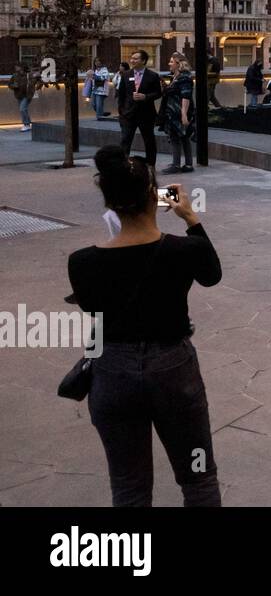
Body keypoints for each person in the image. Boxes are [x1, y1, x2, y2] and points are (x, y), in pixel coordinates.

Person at [68, 146, 223, 506]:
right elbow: (212, 275)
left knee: (129, 486)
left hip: (113, 373)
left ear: (109, 202)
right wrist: (191, 218)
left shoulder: (82, 262)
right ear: (156, 198)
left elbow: (92, 306)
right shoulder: (185, 251)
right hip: (174, 370)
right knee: (198, 479)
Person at [119, 50, 162, 166]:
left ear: (143, 61)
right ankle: (123, 166)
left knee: (149, 141)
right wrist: (122, 113)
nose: (132, 60)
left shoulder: (153, 76)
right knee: (125, 141)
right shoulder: (126, 75)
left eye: (136, 58)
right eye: (131, 58)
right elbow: (121, 95)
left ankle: (151, 165)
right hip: (129, 114)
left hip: (146, 114)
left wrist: (146, 97)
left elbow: (158, 93)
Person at [160, 53, 195, 174]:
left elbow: (186, 96)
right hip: (173, 111)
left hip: (178, 112)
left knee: (177, 137)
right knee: (183, 137)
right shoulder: (176, 77)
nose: (169, 64)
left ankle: (176, 165)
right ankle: (188, 164)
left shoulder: (184, 78)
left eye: (171, 62)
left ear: (178, 64)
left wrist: (184, 114)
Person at [11, 63, 34, 132]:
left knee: (22, 109)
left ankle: (26, 124)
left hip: (27, 95)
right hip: (19, 95)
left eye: (17, 67)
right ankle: (28, 123)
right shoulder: (15, 75)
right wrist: (13, 86)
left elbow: (33, 84)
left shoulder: (29, 75)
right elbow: (9, 84)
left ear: (22, 67)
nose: (16, 68)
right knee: (24, 109)